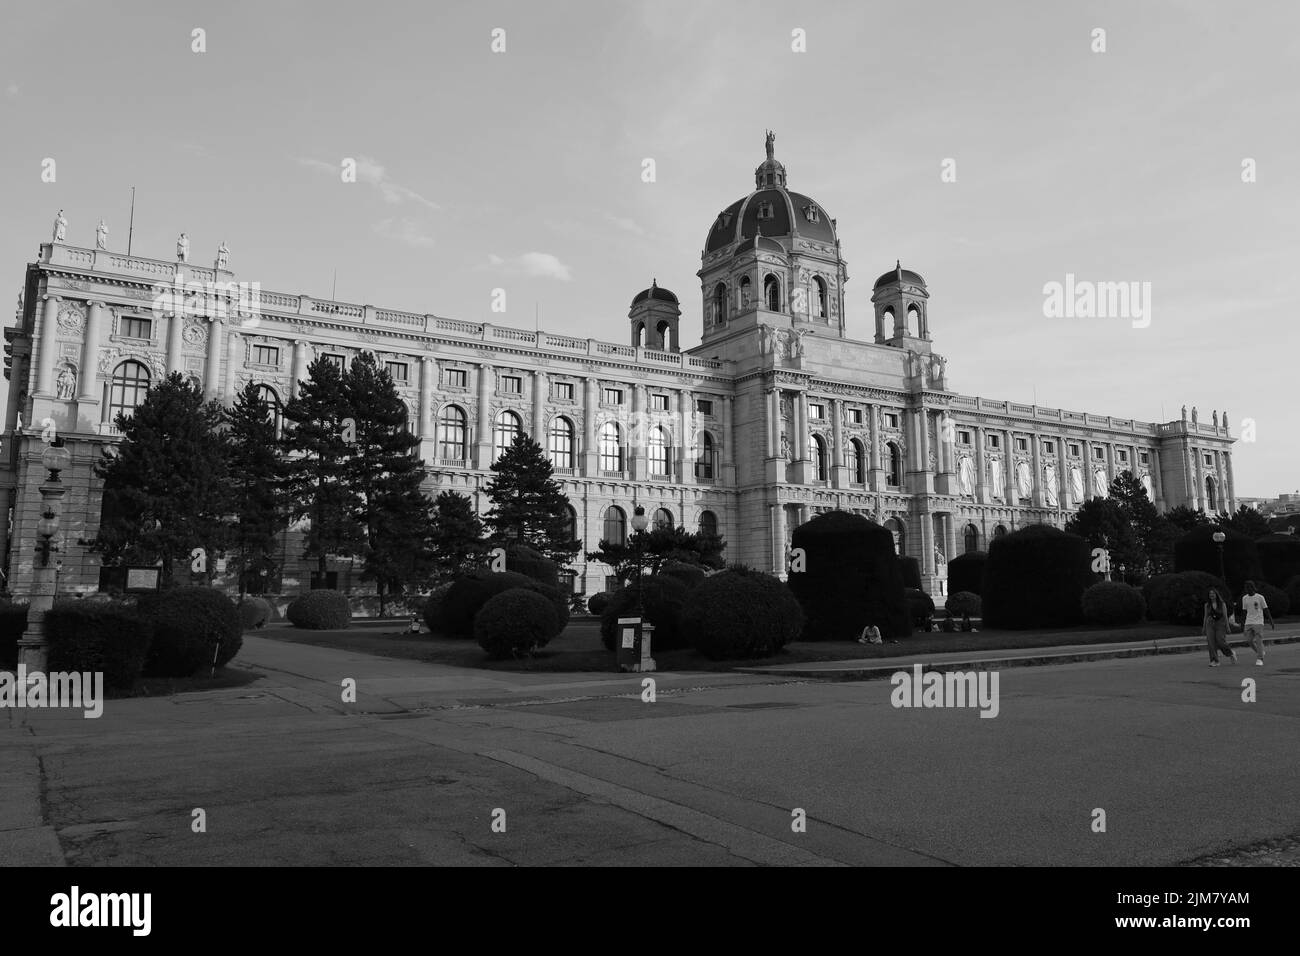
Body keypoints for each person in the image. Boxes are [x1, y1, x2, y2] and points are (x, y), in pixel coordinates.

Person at [1239, 580, 1274, 665]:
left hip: (1258, 622)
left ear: (1253, 588)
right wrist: (1242, 624)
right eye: (1246, 588)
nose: (1248, 589)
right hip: (1248, 622)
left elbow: (1266, 609)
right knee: (1249, 640)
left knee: (1258, 640)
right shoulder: (1244, 598)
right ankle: (1260, 652)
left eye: (1249, 587)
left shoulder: (1260, 597)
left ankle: (1260, 659)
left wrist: (1271, 621)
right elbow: (1244, 612)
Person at [1202, 588, 1237, 666]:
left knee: (1221, 641)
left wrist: (1228, 627)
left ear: (1216, 595)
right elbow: (1205, 616)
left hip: (1220, 623)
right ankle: (1215, 660)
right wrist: (1204, 627)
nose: (1211, 595)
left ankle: (1230, 653)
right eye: (1210, 594)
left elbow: (1225, 616)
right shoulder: (1207, 605)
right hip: (1210, 623)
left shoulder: (1222, 604)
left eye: (1213, 593)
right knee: (1211, 642)